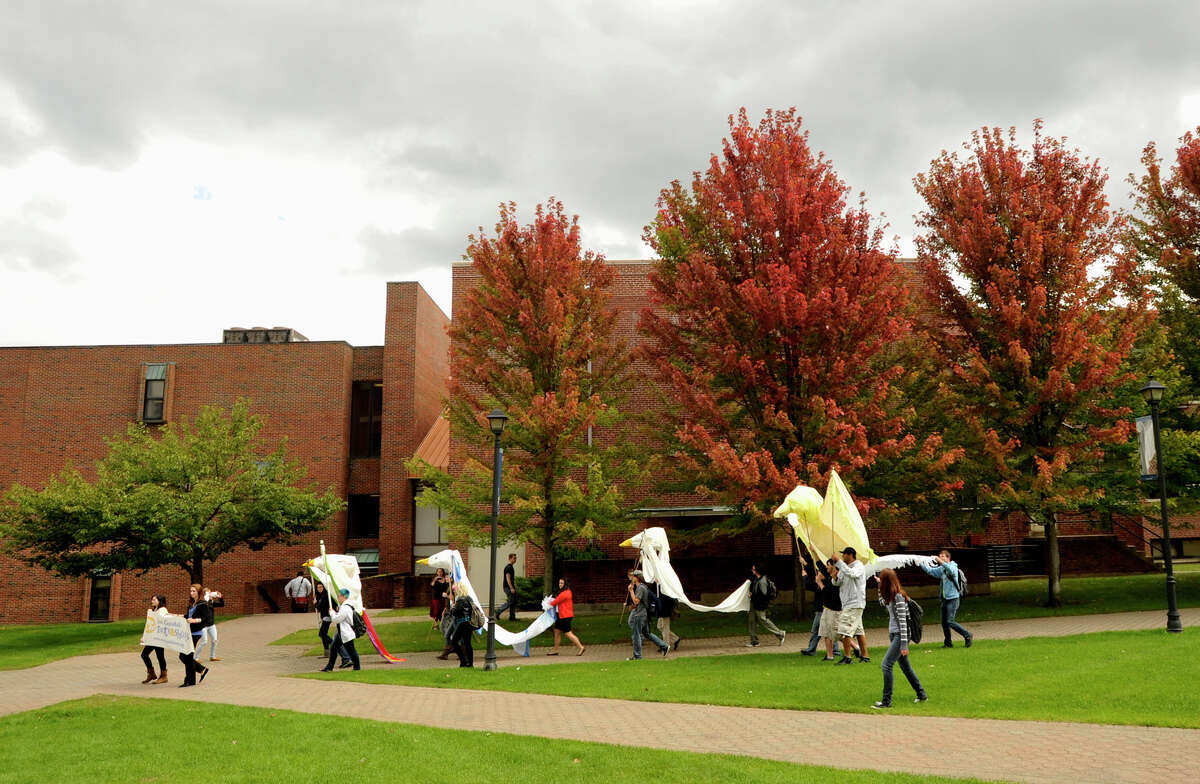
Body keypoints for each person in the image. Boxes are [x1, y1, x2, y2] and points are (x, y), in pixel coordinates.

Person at [871, 568, 928, 709]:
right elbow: (881, 602)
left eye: (882, 579)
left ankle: (886, 701)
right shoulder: (890, 595)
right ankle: (921, 695)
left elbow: (903, 622)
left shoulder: (899, 597)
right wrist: (879, 586)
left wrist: (904, 645)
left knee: (886, 665)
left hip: (900, 636)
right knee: (905, 667)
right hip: (894, 634)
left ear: (887, 581)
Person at [921, 548, 973, 648]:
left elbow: (951, 570)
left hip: (953, 599)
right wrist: (921, 563)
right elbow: (931, 571)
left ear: (948, 558)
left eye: (942, 556)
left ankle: (967, 635)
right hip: (945, 599)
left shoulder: (953, 566)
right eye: (939, 556)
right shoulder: (942, 569)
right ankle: (948, 643)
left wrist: (940, 561)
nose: (940, 558)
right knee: (944, 623)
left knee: (950, 621)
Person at [832, 547, 870, 664]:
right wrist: (834, 576)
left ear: (850, 555)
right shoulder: (845, 568)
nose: (842, 557)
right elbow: (838, 582)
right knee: (859, 631)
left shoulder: (858, 566)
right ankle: (865, 656)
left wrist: (839, 562)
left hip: (854, 603)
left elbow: (852, 574)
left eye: (844, 555)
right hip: (848, 603)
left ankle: (848, 657)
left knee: (844, 630)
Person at [805, 561, 844, 660]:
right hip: (825, 609)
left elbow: (827, 593)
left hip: (831, 610)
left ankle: (854, 648)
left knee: (834, 633)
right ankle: (830, 655)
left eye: (828, 565)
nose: (818, 573)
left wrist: (818, 582)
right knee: (826, 632)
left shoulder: (833, 580)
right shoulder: (829, 579)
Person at [626, 570, 669, 660]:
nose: (632, 578)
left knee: (636, 635)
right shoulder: (642, 587)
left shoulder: (640, 588)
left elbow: (636, 601)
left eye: (633, 576)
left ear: (637, 578)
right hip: (643, 614)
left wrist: (631, 591)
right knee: (647, 634)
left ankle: (637, 656)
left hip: (639, 615)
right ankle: (664, 646)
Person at [179, 584, 212, 687]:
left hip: (196, 632)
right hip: (188, 632)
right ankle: (201, 670)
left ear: (199, 592)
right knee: (184, 656)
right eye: (191, 591)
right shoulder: (191, 603)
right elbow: (188, 616)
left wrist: (194, 620)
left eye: (194, 591)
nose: (191, 593)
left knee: (186, 656)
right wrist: (177, 616)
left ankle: (190, 680)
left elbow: (205, 618)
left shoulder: (202, 604)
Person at [746, 563, 786, 647]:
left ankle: (780, 633)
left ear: (757, 570)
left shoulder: (763, 581)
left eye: (753, 569)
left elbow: (764, 595)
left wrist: (752, 595)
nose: (752, 570)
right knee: (751, 621)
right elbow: (753, 588)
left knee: (763, 620)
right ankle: (754, 641)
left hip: (760, 605)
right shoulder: (756, 579)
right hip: (753, 603)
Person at [321, 588, 361, 671]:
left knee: (351, 650)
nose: (338, 598)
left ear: (343, 597)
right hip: (342, 632)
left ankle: (357, 667)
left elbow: (336, 619)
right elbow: (339, 617)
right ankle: (329, 667)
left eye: (339, 596)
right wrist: (335, 613)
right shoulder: (345, 607)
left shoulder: (345, 608)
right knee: (334, 648)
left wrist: (332, 613)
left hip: (346, 632)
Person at [314, 581, 352, 667]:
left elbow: (319, 607)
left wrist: (315, 603)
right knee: (323, 634)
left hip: (328, 617)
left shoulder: (325, 596)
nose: (319, 589)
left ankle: (334, 649)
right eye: (318, 587)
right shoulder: (321, 596)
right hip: (325, 617)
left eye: (321, 587)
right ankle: (343, 657)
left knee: (322, 634)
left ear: (324, 587)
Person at [547, 577, 585, 656]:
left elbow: (554, 602)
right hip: (561, 615)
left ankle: (581, 647)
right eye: (559, 583)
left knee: (568, 633)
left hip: (565, 616)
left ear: (565, 584)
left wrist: (546, 603)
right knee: (557, 631)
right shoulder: (565, 592)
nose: (560, 585)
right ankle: (555, 650)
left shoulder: (565, 593)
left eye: (561, 583)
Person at [140, 594, 169, 684]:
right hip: (153, 637)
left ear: (159, 601)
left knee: (160, 656)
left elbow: (160, 620)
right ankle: (151, 673)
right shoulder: (154, 609)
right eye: (152, 599)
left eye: (154, 600)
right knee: (144, 655)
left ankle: (164, 676)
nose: (152, 601)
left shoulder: (163, 609)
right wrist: (144, 636)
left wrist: (151, 613)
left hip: (159, 637)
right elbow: (150, 624)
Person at [448, 583, 475, 668]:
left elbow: (455, 612)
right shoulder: (469, 598)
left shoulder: (460, 600)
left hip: (462, 623)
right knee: (468, 644)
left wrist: (452, 606)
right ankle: (470, 663)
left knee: (454, 642)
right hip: (469, 623)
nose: (454, 591)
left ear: (459, 589)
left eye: (454, 589)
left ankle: (463, 661)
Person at [193, 589, 223, 662]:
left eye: (210, 592)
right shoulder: (202, 603)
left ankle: (212, 656)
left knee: (215, 640)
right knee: (204, 641)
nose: (210, 594)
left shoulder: (211, 602)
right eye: (208, 593)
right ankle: (195, 658)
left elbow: (221, 605)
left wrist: (220, 598)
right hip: (203, 626)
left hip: (211, 625)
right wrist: (207, 600)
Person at [655, 584, 681, 652]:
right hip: (661, 609)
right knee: (660, 626)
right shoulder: (658, 585)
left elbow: (669, 599)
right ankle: (675, 639)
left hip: (665, 609)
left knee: (665, 628)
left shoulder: (664, 585)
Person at [495, 553, 518, 621]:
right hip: (507, 587)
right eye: (514, 558)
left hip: (510, 587)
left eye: (516, 558)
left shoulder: (510, 567)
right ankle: (498, 610)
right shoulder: (508, 567)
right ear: (510, 558)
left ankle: (512, 618)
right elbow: (508, 578)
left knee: (513, 601)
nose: (515, 560)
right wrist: (511, 588)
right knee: (511, 601)